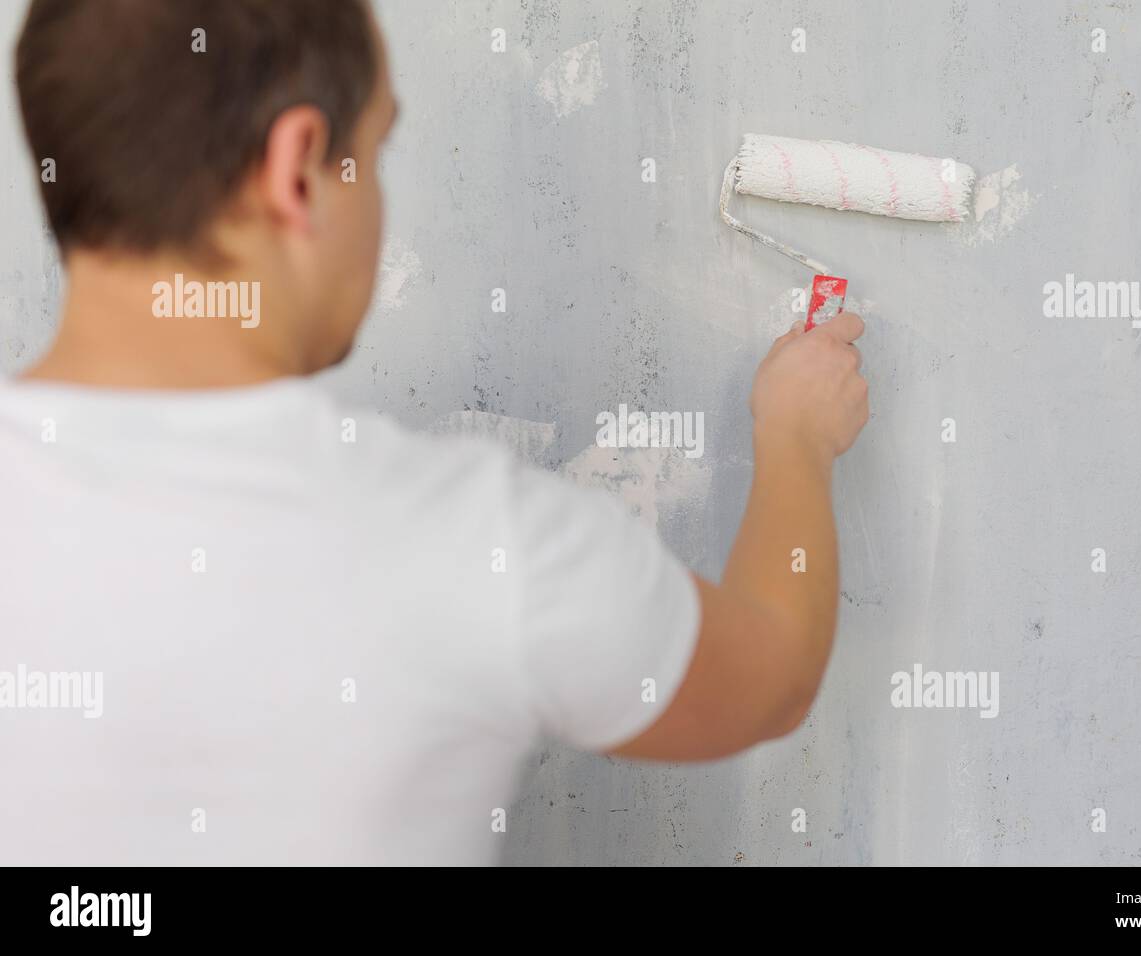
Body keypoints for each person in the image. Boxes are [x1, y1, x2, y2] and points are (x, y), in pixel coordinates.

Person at [0, 0, 868, 864]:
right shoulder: (473, 537)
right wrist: (794, 435)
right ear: (296, 170)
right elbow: (771, 676)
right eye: (373, 154)